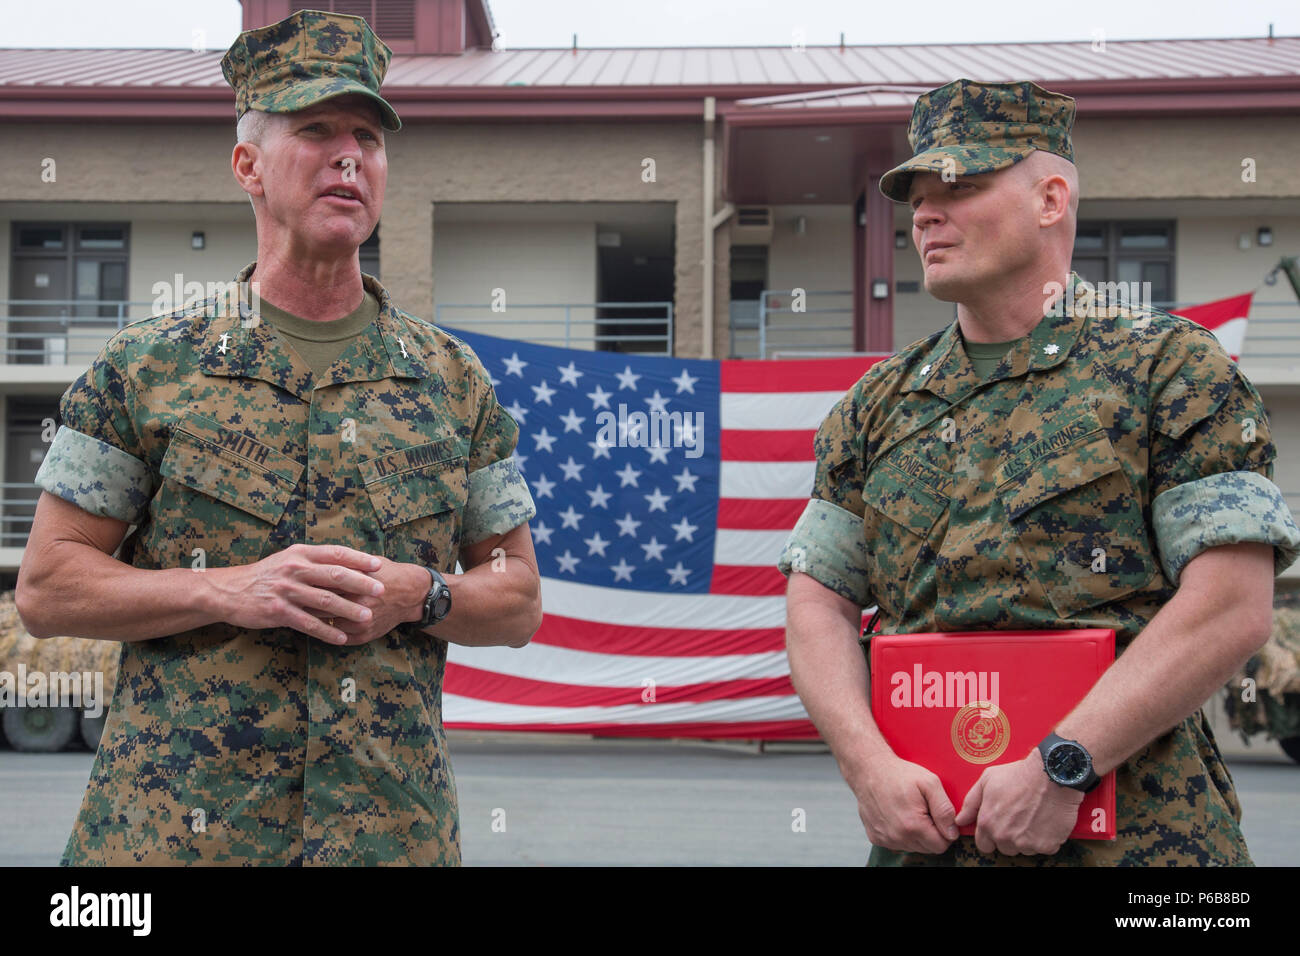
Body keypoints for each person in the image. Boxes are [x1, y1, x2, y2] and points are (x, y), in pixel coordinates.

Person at [15, 9, 541, 866]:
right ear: (247, 166)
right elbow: (48, 587)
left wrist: (424, 596)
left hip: (389, 838)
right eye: (316, 130)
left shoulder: (451, 382)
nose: (349, 156)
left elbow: (517, 597)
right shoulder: (147, 369)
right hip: (175, 844)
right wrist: (228, 591)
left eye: (368, 137)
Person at [779, 77, 1300, 866]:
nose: (924, 212)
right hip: (932, 843)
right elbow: (817, 598)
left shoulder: (1168, 370)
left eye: (960, 184)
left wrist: (1064, 765)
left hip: (1143, 845)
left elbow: (1231, 605)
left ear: (1051, 199)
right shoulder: (878, 405)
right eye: (916, 193)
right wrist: (867, 764)